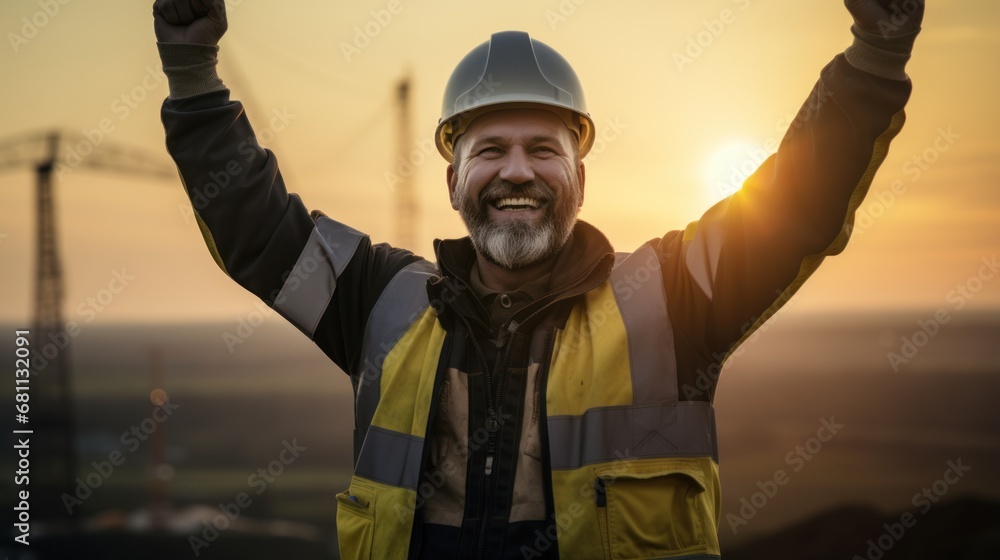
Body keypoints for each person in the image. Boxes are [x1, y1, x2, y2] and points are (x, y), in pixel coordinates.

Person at [152, 0, 923, 558]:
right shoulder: (380, 302)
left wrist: (874, 58)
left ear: (578, 178)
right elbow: (256, 228)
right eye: (489, 150)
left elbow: (794, 208)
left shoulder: (670, 299)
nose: (516, 172)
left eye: (542, 149)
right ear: (454, 181)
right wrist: (192, 71)